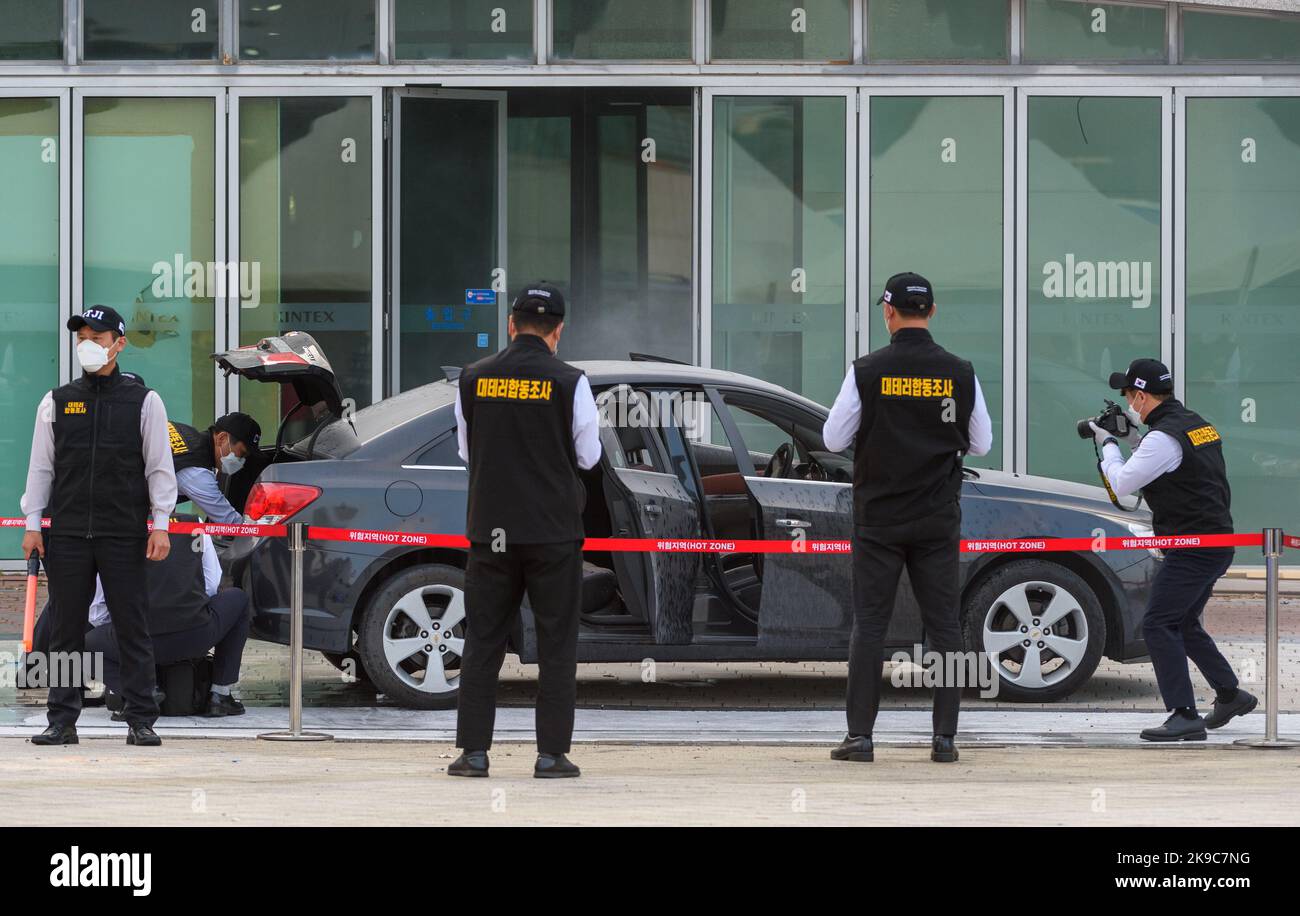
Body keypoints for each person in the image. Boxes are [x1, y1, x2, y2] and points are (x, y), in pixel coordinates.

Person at [823, 272, 992, 764]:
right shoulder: (961, 372)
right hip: (937, 517)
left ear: (888, 312)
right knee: (944, 626)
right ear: (932, 313)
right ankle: (944, 739)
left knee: (870, 625)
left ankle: (860, 738)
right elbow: (980, 443)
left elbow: (833, 439)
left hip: (879, 518)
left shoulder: (866, 370)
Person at [448, 282, 601, 779]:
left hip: (490, 532)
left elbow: (468, 453)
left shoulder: (473, 378)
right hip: (552, 534)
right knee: (557, 645)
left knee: (484, 643)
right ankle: (551, 756)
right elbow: (589, 457)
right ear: (558, 332)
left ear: (510, 325)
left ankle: (473, 754)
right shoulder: (570, 381)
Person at [21, 305, 177, 747]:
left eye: (97, 336)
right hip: (68, 532)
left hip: (123, 531)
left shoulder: (144, 401)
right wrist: (34, 523)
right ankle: (61, 719)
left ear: (119, 343)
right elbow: (40, 468)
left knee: (132, 624)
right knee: (65, 628)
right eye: (81, 337)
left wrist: (160, 524)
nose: (87, 344)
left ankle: (141, 717)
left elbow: (159, 468)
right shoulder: (56, 399)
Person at [1091, 358, 1255, 741]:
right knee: (1182, 622)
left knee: (1158, 623)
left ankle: (1183, 714)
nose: (1129, 402)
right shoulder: (1194, 424)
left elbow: (1124, 483)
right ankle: (1230, 695)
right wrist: (1134, 437)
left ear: (1142, 396)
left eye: (1129, 395)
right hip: (1213, 541)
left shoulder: (1163, 438)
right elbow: (1171, 464)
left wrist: (1108, 443)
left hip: (1193, 546)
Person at [85, 524, 251, 718]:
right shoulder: (194, 526)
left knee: (83, 643)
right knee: (238, 598)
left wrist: (118, 628)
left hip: (136, 641)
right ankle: (220, 695)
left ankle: (142, 692)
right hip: (195, 636)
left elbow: (97, 611)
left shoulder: (114, 532)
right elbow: (212, 584)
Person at [168, 413, 262, 524]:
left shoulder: (186, 433)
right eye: (241, 453)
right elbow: (230, 521)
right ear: (222, 438)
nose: (242, 461)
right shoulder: (195, 468)